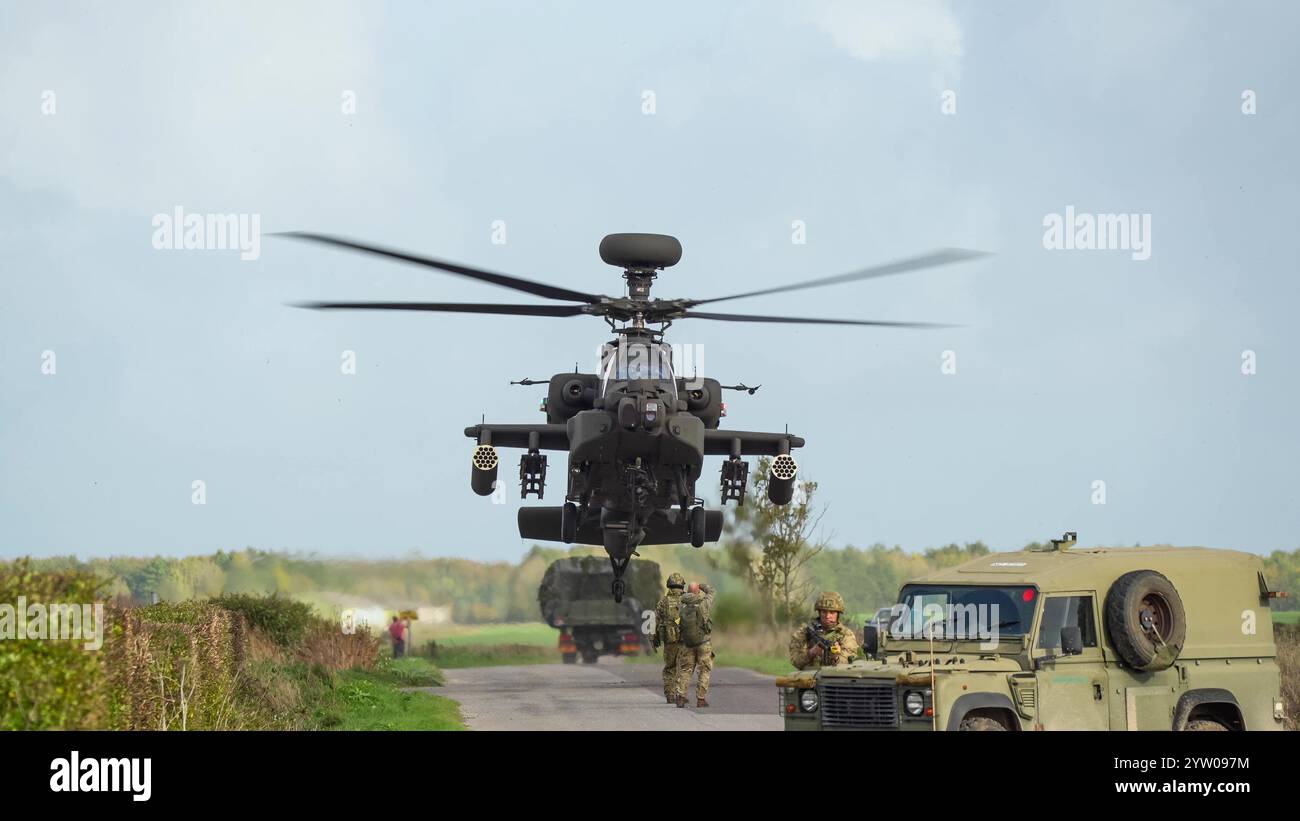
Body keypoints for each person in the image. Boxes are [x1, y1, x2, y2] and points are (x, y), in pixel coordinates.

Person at [788, 591, 859, 670]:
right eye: (824, 612)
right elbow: (795, 661)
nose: (827, 616)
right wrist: (811, 653)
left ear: (838, 614)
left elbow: (850, 664)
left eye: (832, 612)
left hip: (832, 678)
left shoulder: (846, 635)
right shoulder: (805, 631)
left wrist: (835, 658)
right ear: (819, 612)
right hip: (808, 678)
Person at [674, 581, 715, 708]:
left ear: (688, 591)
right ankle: (701, 699)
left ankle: (681, 698)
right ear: (697, 591)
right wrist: (702, 585)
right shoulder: (704, 604)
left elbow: (676, 623)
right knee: (704, 670)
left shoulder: (680, 605)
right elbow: (712, 592)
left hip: (687, 643)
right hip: (704, 643)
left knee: (686, 670)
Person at [652, 572, 687, 704]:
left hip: (669, 640)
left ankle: (670, 695)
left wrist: (654, 638)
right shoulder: (688, 600)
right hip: (685, 641)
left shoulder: (663, 602)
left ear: (669, 585)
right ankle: (681, 694)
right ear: (682, 585)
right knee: (683, 668)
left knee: (670, 667)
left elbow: (655, 620)